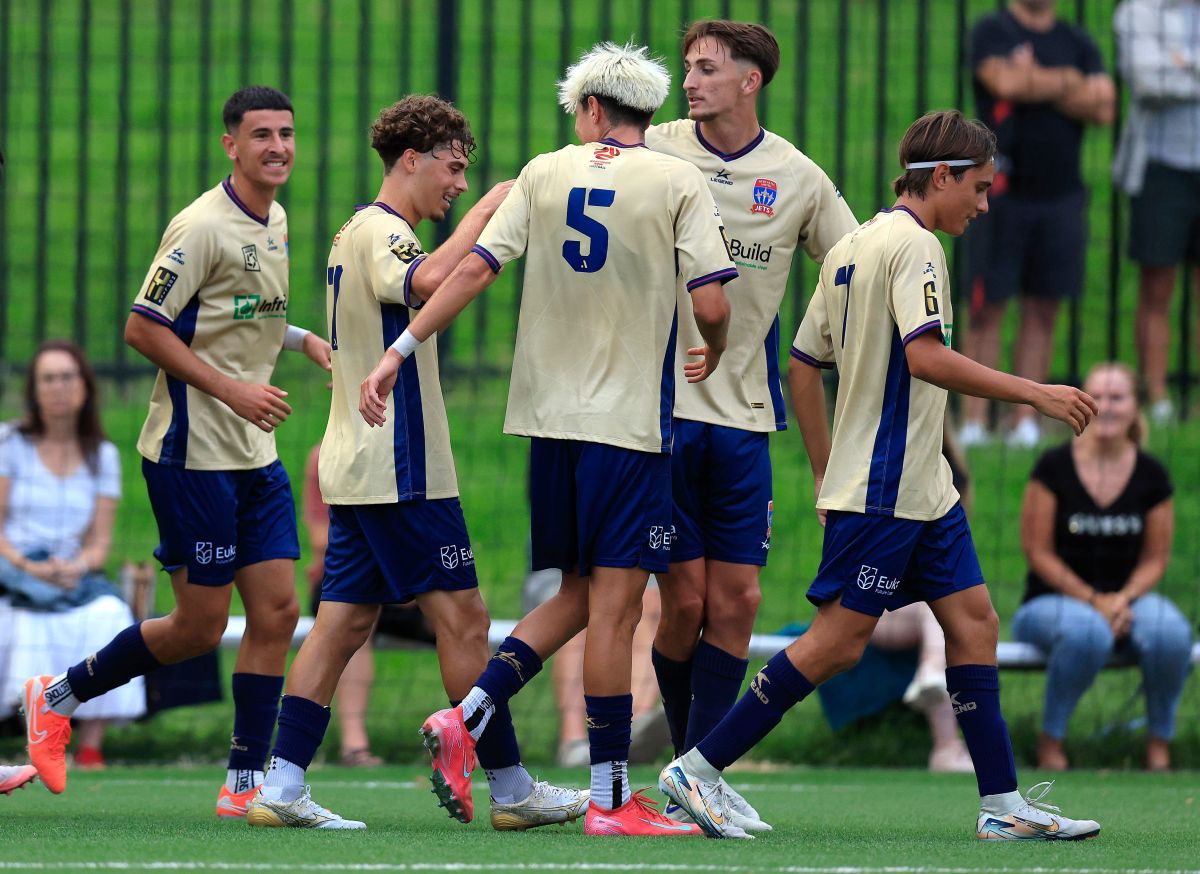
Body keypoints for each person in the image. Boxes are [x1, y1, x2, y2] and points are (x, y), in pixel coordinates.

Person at [658, 109, 1104, 842]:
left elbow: (803, 367)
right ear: (942, 177)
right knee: (837, 642)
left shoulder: (852, 245)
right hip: (888, 486)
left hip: (922, 488)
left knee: (975, 622)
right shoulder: (917, 246)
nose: (984, 205)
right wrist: (1036, 393)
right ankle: (697, 769)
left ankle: (1002, 805)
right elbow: (925, 356)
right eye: (979, 188)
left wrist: (825, 469)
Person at [361, 42, 734, 837]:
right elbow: (711, 302)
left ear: (592, 108)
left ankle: (468, 714)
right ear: (642, 110)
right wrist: (716, 346)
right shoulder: (677, 179)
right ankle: (609, 800)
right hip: (627, 430)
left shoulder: (544, 171)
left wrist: (399, 350)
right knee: (617, 611)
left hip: (547, 425)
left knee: (577, 595)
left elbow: (471, 271)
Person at [247, 95, 585, 831]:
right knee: (464, 618)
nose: (460, 184)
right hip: (399, 468)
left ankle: (280, 783)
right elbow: (429, 282)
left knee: (341, 625)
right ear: (412, 159)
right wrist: (490, 211)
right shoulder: (382, 231)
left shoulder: (355, 230)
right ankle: (512, 787)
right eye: (453, 168)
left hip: (358, 464)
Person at [22, 86, 332, 811]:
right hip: (192, 456)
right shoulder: (199, 228)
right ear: (231, 145)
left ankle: (244, 782)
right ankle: (57, 696)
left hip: (254, 454)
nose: (277, 147)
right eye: (261, 135)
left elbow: (238, 315)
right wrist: (232, 391)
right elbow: (144, 326)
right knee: (198, 626)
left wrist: (301, 340)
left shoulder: (276, 218)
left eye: (286, 134)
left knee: (278, 612)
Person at [641, 20, 858, 830]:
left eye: (706, 68)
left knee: (738, 602)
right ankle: (692, 771)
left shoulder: (797, 177)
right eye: (688, 68)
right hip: (658, 417)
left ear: (749, 80)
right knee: (684, 605)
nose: (689, 81)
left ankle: (698, 773)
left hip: (742, 419)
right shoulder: (654, 148)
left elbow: (857, 267)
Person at [1015, 362, 1192, 772]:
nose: (1107, 407)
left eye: (1118, 397)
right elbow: (1038, 553)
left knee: (1171, 633)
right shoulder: (1052, 467)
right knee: (1087, 632)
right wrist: (1096, 601)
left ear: (1136, 406)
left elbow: (1155, 560)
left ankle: (1159, 745)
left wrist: (1122, 599)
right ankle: (1051, 742)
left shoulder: (1152, 475)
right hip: (1051, 602)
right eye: (1097, 397)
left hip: (1127, 602)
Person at [959, 0, 1114, 449]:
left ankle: (1024, 423)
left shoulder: (1077, 41)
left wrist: (1036, 79)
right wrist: (1069, 83)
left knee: (1043, 308)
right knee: (987, 309)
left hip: (1060, 196)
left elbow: (1105, 106)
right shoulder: (993, 30)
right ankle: (974, 422)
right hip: (999, 195)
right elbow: (1003, 82)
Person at [0, 341, 145, 769]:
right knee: (21, 618)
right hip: (15, 568)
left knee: (108, 614)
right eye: (48, 378)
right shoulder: (10, 442)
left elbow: (99, 544)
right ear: (34, 389)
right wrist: (28, 567)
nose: (58, 387)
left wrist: (73, 567)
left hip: (71, 574)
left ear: (84, 386)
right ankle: (38, 737)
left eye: (67, 377)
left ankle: (90, 746)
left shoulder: (102, 455)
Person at [1113, 0, 1200, 424]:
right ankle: (1158, 396)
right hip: (1160, 167)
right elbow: (1148, 81)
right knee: (1157, 286)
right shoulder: (1139, 11)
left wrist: (1183, 64)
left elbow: (1165, 76)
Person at [301, 443, 381, 768]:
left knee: (461, 612)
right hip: (346, 574)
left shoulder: (418, 447)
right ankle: (354, 743)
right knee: (358, 614)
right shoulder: (327, 454)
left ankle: (472, 740)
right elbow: (321, 539)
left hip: (404, 577)